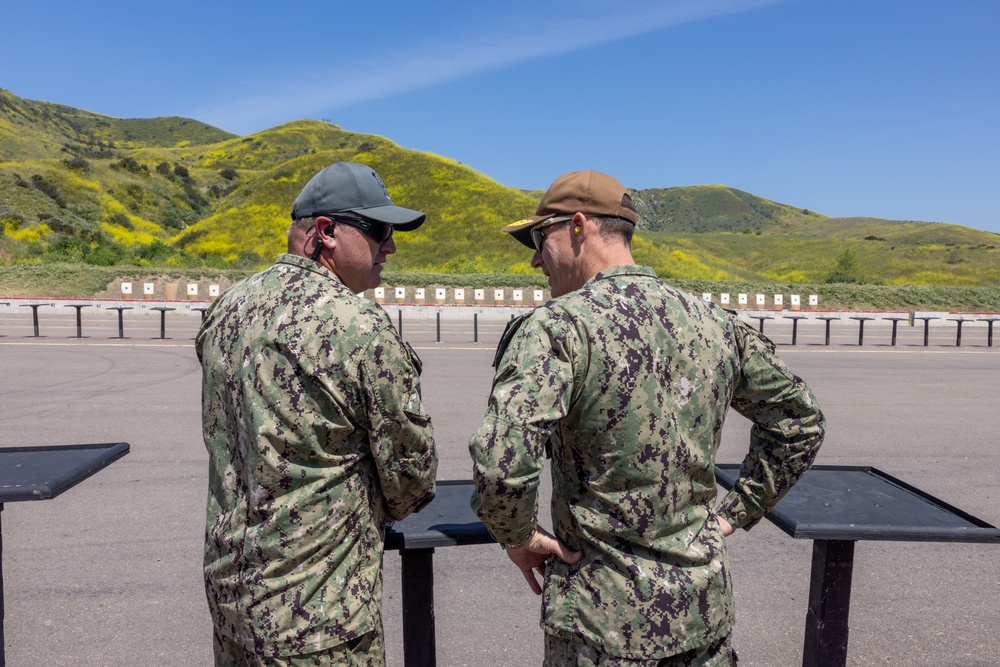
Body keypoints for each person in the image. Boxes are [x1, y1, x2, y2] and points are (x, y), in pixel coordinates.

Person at [468, 170, 825, 666]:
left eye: (537, 238)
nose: (534, 259)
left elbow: (502, 464)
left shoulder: (557, 327)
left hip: (601, 627)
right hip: (702, 617)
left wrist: (520, 538)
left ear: (577, 226)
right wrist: (733, 515)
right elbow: (799, 422)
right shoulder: (713, 322)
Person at [196, 161, 438, 666]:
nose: (390, 247)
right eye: (380, 231)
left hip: (233, 600)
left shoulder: (230, 306)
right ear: (326, 232)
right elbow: (410, 479)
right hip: (319, 619)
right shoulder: (358, 326)